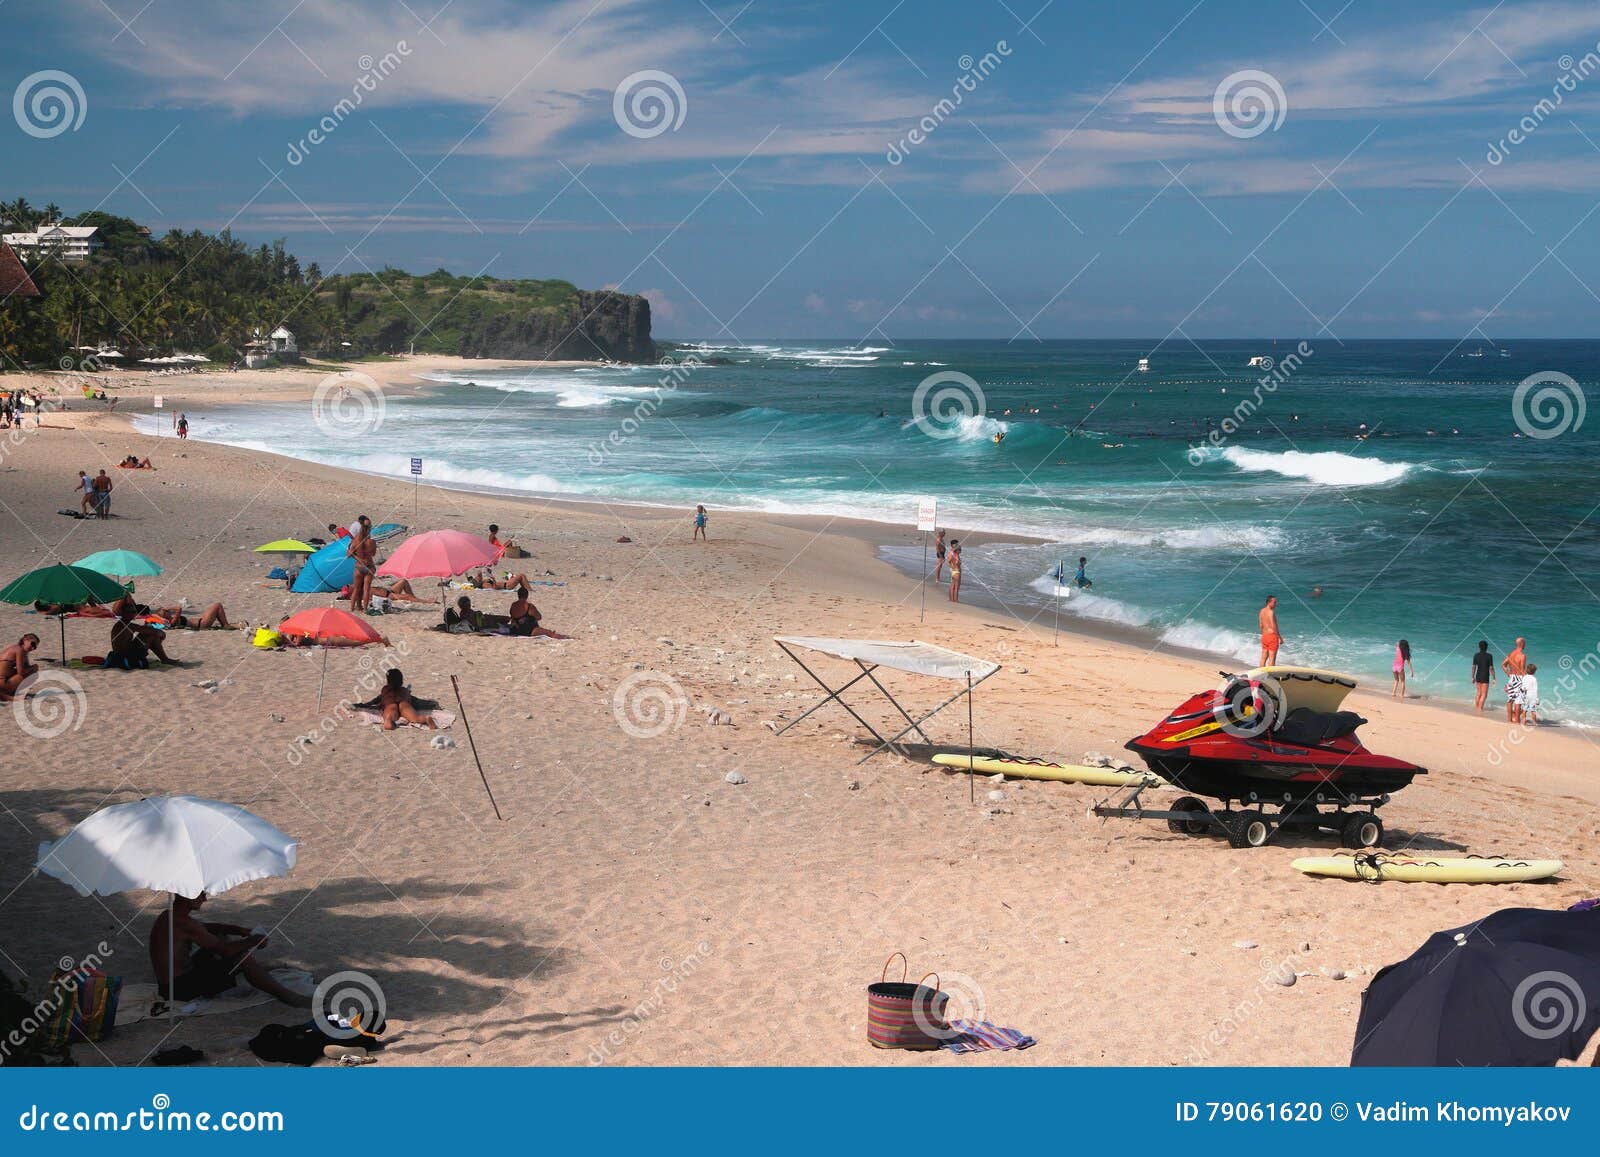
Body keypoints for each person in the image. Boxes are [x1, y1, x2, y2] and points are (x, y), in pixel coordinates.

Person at [150, 893, 308, 1006]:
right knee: (241, 958)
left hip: (173, 983)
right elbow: (225, 950)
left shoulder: (171, 915)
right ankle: (287, 996)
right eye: (200, 894)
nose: (205, 898)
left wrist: (239, 930)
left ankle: (257, 971)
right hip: (177, 990)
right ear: (187, 895)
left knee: (223, 937)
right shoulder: (182, 922)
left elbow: (206, 928)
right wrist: (253, 940)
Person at [108, 603, 176, 668]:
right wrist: (161, 636)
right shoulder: (127, 625)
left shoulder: (123, 624)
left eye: (134, 611)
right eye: (130, 612)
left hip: (124, 651)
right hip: (124, 654)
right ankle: (165, 659)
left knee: (150, 634)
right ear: (123, 613)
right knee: (152, 635)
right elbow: (156, 632)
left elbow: (145, 630)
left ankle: (164, 659)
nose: (133, 613)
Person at [346, 515, 376, 614]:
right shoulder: (371, 542)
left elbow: (349, 555)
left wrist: (358, 557)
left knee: (356, 589)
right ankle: (365, 609)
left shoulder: (355, 541)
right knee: (366, 589)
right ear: (369, 529)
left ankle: (351, 608)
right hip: (369, 566)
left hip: (358, 567)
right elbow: (373, 554)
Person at [0, 634, 41, 700]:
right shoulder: (19, 650)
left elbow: (25, 667)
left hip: (2, 683)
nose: (33, 648)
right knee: (33, 673)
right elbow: (21, 672)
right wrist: (34, 667)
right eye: (32, 644)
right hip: (2, 683)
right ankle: (9, 695)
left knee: (31, 671)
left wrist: (30, 666)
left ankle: (9, 693)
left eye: (35, 647)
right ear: (25, 640)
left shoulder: (18, 649)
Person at [1502, 637, 1528, 724]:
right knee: (1518, 701)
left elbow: (1503, 665)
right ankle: (1517, 721)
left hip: (1512, 677)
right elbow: (1522, 670)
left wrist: (1509, 674)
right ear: (1522, 644)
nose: (1525, 645)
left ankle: (1509, 720)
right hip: (1519, 678)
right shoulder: (1522, 656)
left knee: (1510, 700)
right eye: (1524, 643)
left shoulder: (1511, 654)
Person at [1471, 640, 1496, 712]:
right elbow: (1491, 668)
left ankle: (1477, 707)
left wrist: (1472, 677)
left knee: (1479, 693)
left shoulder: (1476, 655)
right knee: (1484, 694)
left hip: (1478, 675)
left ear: (1479, 647)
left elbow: (1473, 667)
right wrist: (1494, 677)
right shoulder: (1489, 656)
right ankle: (1480, 708)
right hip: (1485, 676)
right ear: (1486, 647)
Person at [1258, 595, 1282, 666]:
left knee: (1263, 657)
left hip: (1264, 636)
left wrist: (1264, 634)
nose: (1275, 604)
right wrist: (1280, 637)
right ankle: (1270, 675)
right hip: (1272, 637)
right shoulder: (1271, 612)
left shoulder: (1261, 611)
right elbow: (1273, 626)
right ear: (1269, 602)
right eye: (1274, 602)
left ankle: (1261, 673)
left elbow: (1261, 625)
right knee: (1272, 658)